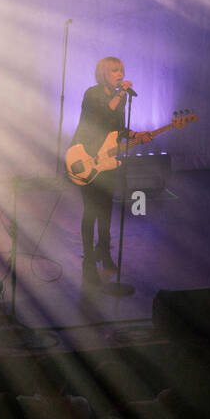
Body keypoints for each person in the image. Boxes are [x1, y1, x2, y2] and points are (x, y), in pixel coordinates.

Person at [69, 57, 152, 282]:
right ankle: (88, 257)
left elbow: (116, 127)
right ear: (104, 73)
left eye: (122, 70)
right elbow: (102, 116)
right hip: (87, 156)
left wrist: (136, 135)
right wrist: (119, 94)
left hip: (108, 158)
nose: (120, 74)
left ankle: (104, 252)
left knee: (106, 209)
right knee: (91, 210)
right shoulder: (92, 93)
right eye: (115, 70)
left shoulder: (122, 97)